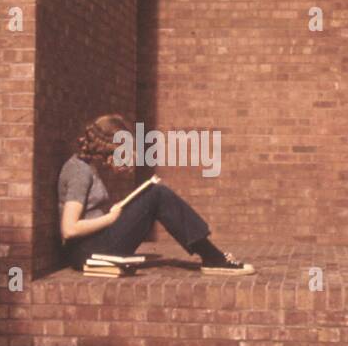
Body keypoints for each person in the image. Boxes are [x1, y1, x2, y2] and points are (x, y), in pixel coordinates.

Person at [58, 114, 254, 274]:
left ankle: (211, 255)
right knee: (157, 194)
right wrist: (110, 219)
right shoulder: (80, 171)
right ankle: (212, 257)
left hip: (95, 245)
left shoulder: (88, 168)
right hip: (88, 252)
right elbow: (69, 229)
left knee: (153, 193)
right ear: (109, 147)